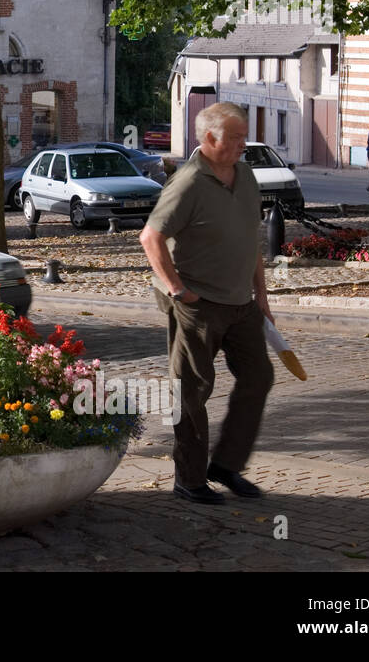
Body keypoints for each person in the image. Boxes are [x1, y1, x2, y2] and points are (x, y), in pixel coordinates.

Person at [138, 102, 274, 506]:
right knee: (191, 392)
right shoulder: (188, 182)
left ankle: (226, 465)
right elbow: (151, 238)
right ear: (209, 138)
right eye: (235, 138)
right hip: (197, 304)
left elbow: (251, 240)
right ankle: (190, 478)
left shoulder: (246, 176)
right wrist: (178, 290)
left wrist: (261, 294)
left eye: (243, 135)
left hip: (241, 302)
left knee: (258, 377)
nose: (242, 144)